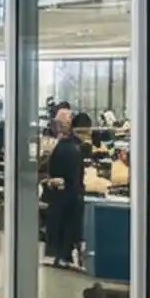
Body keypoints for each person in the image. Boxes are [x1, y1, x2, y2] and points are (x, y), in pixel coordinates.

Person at [44, 111, 91, 267]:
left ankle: (64, 255)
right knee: (62, 223)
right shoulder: (65, 144)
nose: (58, 126)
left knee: (67, 223)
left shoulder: (72, 146)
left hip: (70, 190)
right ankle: (62, 254)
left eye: (61, 123)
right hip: (63, 191)